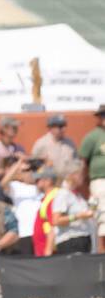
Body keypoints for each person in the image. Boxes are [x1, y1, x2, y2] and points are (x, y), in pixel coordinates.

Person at [1, 156, 42, 256]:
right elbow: (3, 183)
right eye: (26, 170)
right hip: (25, 233)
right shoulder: (15, 186)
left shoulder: (41, 186)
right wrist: (19, 162)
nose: (30, 172)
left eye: (31, 170)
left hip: (41, 233)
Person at [78, 103, 105, 253]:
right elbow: (83, 162)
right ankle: (102, 253)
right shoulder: (93, 136)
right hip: (101, 181)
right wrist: (83, 185)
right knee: (103, 217)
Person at [31, 113, 80, 180]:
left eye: (64, 126)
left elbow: (76, 164)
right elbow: (33, 168)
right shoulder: (41, 144)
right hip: (48, 183)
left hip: (67, 182)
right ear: (50, 128)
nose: (63, 129)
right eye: (60, 126)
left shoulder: (70, 143)